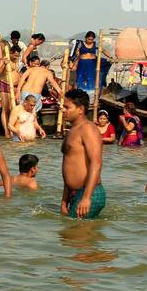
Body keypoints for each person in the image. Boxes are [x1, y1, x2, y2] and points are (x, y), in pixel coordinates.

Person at [61, 89, 106, 219]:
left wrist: (86, 197)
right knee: (69, 236)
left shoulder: (88, 129)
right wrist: (64, 199)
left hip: (90, 192)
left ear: (80, 109)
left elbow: (96, 164)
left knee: (75, 235)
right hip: (76, 193)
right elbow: (68, 166)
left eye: (67, 107)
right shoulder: (72, 131)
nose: (63, 110)